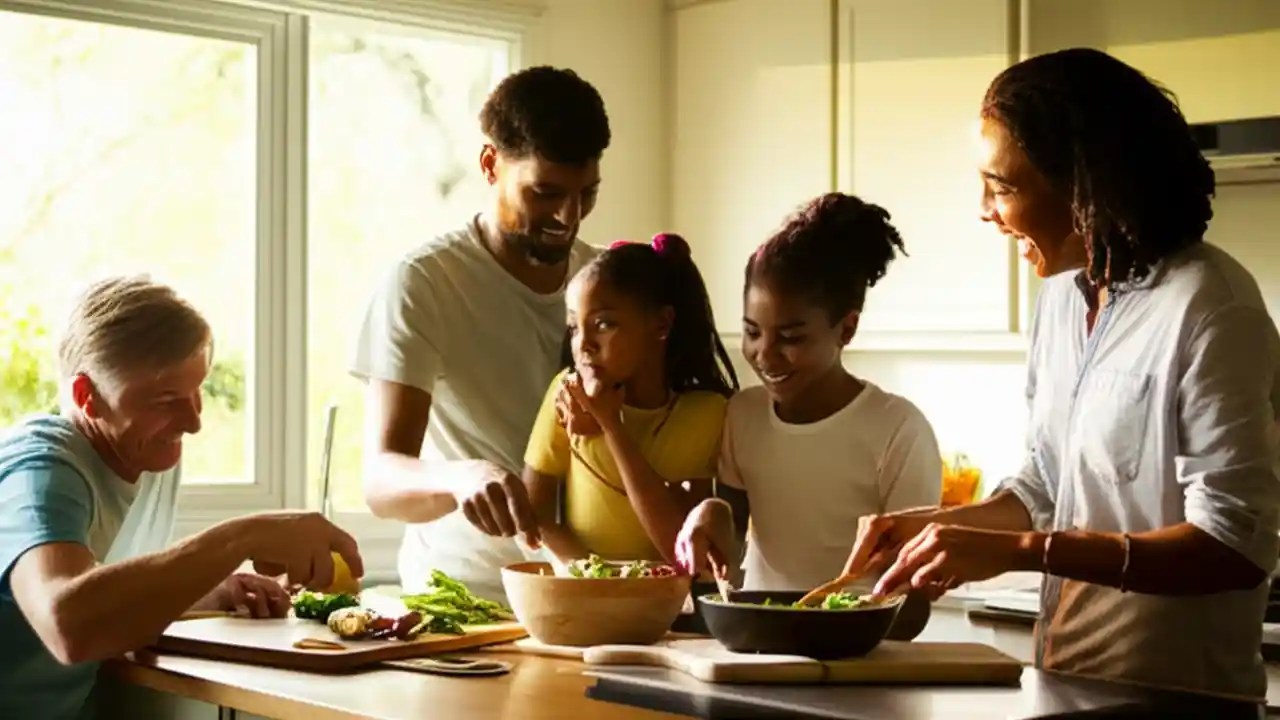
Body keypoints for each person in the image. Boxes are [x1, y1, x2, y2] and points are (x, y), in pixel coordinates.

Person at [839, 47, 1280, 700]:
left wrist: (1025, 550)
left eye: (1004, 186)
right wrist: (937, 530)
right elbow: (1046, 485)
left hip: (1180, 704)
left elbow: (1236, 547)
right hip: (1066, 692)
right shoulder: (1061, 299)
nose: (986, 210)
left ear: (1086, 184)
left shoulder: (1211, 308)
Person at [0, 276, 363, 719]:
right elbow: (68, 626)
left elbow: (108, 590)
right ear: (86, 396)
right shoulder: (42, 471)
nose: (192, 423)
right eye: (166, 399)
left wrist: (209, 591)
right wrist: (241, 538)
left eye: (198, 392)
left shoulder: (146, 452)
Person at [351, 66, 610, 602]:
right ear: (491, 165)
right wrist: (462, 477)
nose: (569, 217)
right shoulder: (426, 283)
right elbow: (381, 483)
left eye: (586, 194)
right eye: (545, 193)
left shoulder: (605, 283)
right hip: (467, 601)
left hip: (594, 593)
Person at [673, 194, 943, 591]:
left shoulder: (898, 430)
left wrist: (836, 618)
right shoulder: (743, 414)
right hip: (761, 645)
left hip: (863, 646)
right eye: (752, 332)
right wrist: (710, 512)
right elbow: (730, 546)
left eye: (790, 337)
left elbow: (912, 599)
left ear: (846, 329)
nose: (764, 355)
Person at [523, 234, 737, 565]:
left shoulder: (707, 413)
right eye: (574, 327)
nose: (584, 344)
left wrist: (612, 426)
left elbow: (677, 548)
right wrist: (595, 578)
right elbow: (535, 517)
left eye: (603, 324)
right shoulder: (566, 395)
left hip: (668, 603)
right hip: (582, 597)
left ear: (662, 323)